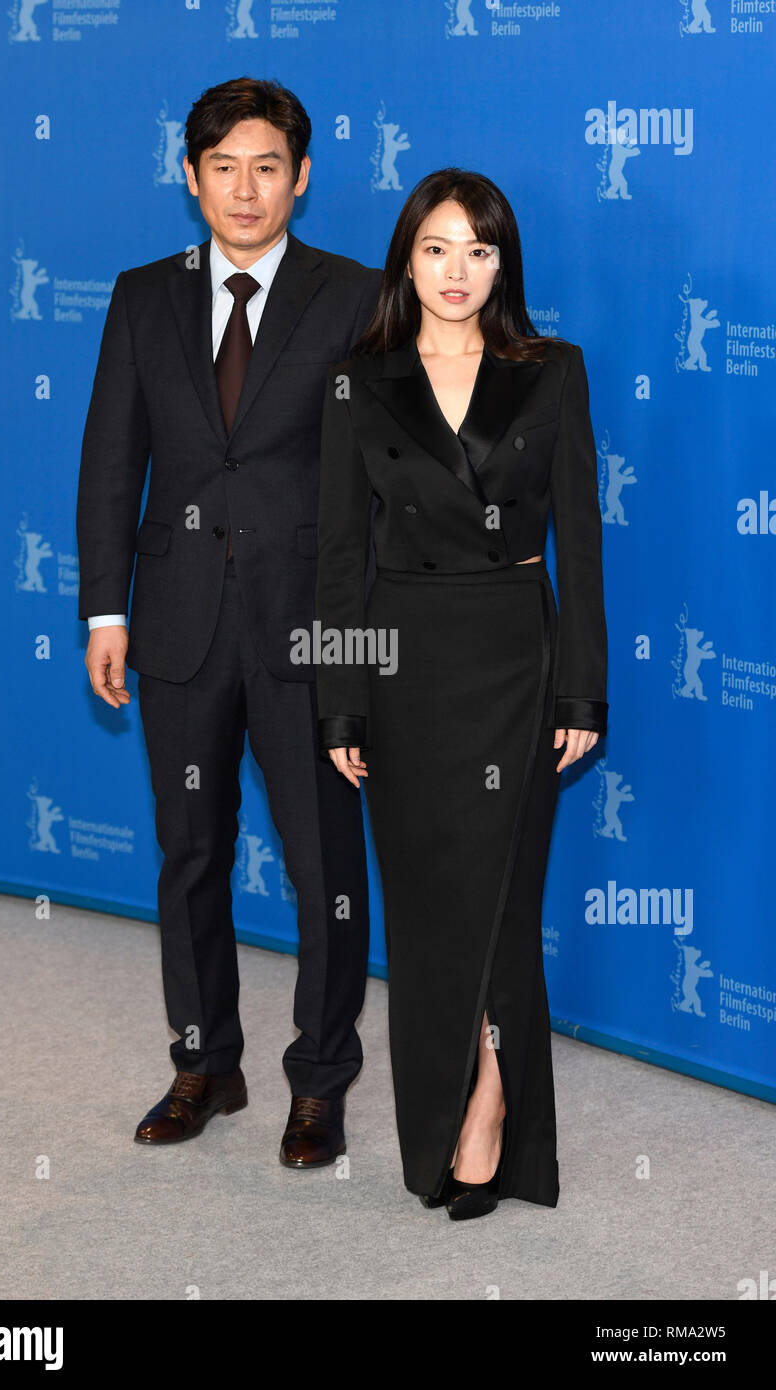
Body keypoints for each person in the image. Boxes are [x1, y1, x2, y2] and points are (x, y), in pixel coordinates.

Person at [76, 78, 382, 1168]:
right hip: (177, 620)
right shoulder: (141, 296)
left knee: (321, 863)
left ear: (300, 176)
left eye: (266, 167)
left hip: (310, 629)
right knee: (190, 852)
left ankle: (321, 1078)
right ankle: (205, 1062)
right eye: (222, 167)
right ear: (191, 176)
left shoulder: (357, 296)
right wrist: (105, 606)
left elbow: (382, 478)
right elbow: (114, 459)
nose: (244, 189)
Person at [315, 168, 609, 1219]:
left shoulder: (553, 372)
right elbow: (338, 559)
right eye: (437, 247)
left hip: (517, 667)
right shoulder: (358, 381)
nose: (456, 271)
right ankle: (450, 1104)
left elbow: (582, 541)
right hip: (402, 672)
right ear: (408, 256)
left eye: (479, 250)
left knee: (503, 903)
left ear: (503, 263)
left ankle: (489, 1111)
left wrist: (584, 693)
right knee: (433, 911)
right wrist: (339, 704)